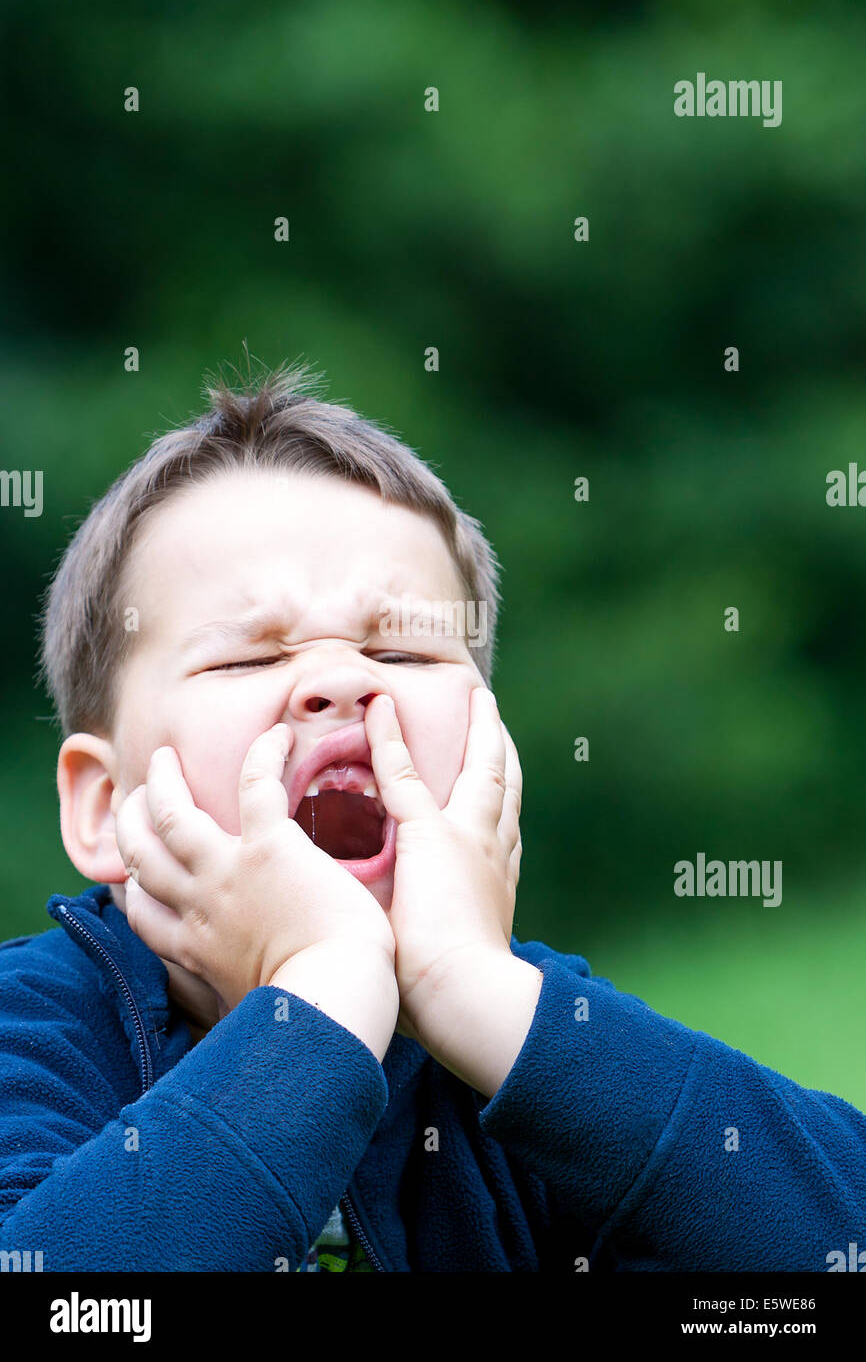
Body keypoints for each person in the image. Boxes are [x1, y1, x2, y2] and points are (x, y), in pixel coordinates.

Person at [1, 363, 863, 1272]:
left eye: (401, 648)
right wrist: (322, 991)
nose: (342, 679)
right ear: (105, 807)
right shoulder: (36, 1034)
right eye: (246, 660)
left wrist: (468, 986)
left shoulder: (532, 1048)